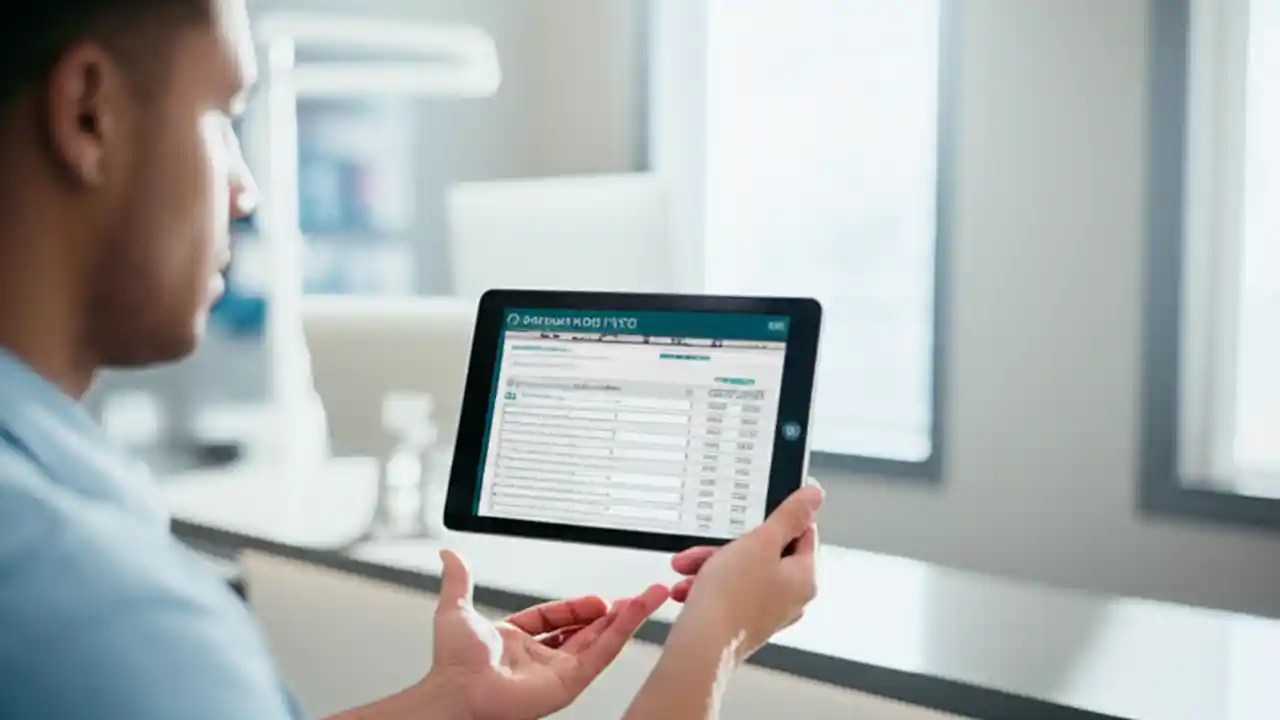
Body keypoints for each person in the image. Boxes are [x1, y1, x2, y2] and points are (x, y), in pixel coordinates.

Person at [0, 1, 824, 718]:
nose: (245, 190)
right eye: (222, 114)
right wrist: (712, 637)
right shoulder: (89, 604)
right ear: (88, 113)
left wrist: (444, 704)